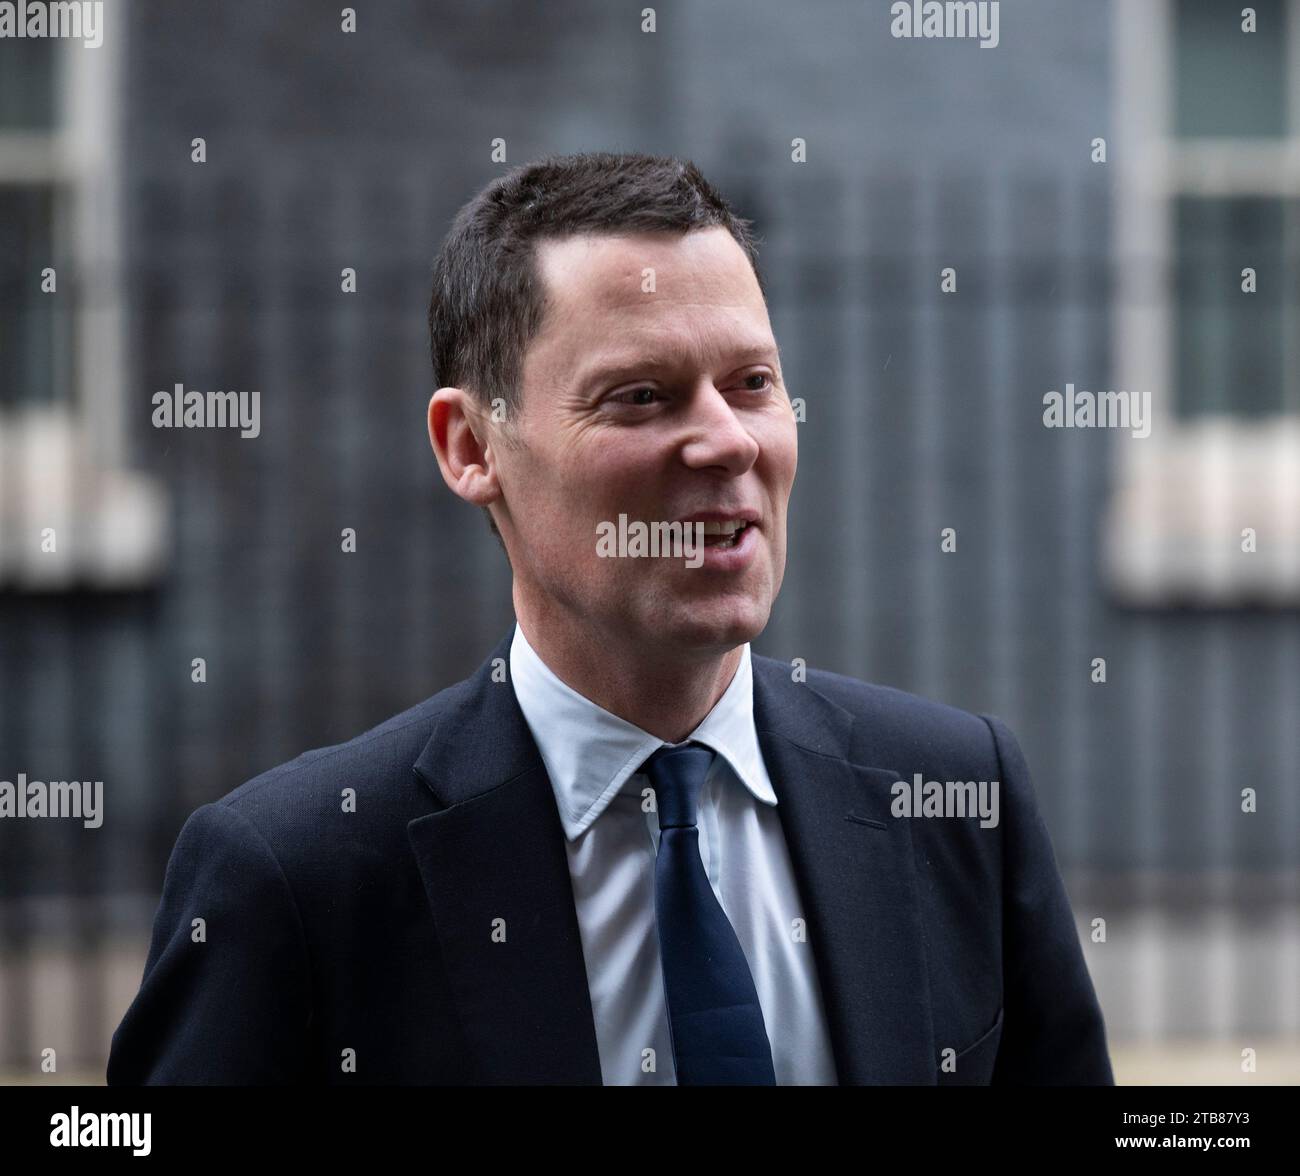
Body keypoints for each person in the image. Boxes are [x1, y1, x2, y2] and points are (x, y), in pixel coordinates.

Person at [108, 151, 1113, 1085]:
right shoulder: (296, 877)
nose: (726, 442)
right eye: (639, 396)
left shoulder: (953, 793)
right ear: (471, 446)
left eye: (751, 383)